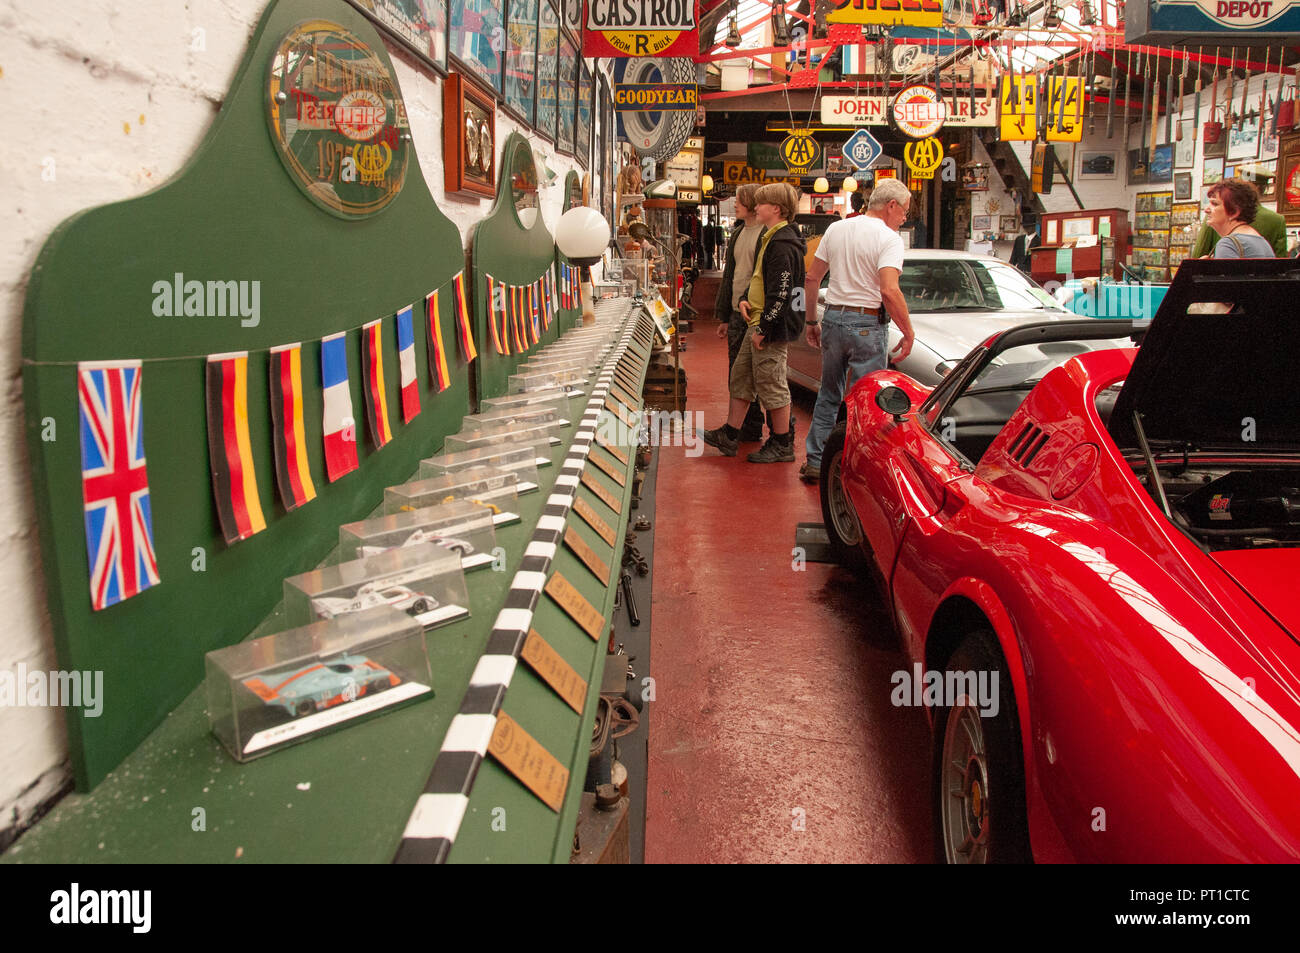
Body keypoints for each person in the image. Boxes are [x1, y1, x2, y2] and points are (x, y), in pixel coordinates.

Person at [799, 177, 917, 483]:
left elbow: (812, 279)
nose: (904, 217)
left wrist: (812, 321)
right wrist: (908, 331)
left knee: (828, 392)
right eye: (904, 210)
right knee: (867, 400)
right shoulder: (889, 239)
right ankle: (858, 467)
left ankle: (815, 460)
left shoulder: (837, 228)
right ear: (891, 206)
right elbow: (890, 291)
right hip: (867, 324)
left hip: (834, 320)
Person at [703, 182, 807, 463]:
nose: (756, 207)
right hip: (757, 321)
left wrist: (764, 328)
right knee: (741, 377)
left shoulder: (783, 244)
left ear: (776, 208)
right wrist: (747, 298)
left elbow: (781, 294)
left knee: (771, 384)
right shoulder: (771, 237)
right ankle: (730, 433)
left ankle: (782, 442)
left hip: (769, 328)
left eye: (761, 203)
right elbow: (761, 279)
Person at [713, 184, 767, 440]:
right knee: (737, 371)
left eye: (739, 200)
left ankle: (763, 427)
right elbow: (729, 276)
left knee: (763, 373)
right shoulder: (737, 233)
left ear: (752, 202)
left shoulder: (766, 234)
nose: (734, 204)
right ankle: (748, 426)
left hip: (756, 314)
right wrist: (725, 316)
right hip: (737, 314)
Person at [1190, 181, 1285, 258]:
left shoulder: (1228, 244)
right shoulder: (1262, 242)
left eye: (1215, 204)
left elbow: (1225, 281)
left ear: (1234, 212)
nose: (1206, 210)